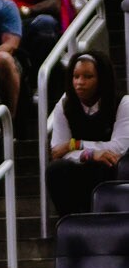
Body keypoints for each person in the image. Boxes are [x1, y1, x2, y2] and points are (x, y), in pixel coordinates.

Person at [46, 53, 128, 216]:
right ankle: (69, 222)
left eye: (88, 77)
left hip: (113, 167)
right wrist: (90, 153)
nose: (79, 83)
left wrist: (77, 144)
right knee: (56, 169)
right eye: (75, 77)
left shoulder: (122, 103)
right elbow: (57, 151)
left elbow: (118, 147)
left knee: (103, 164)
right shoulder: (64, 105)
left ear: (101, 79)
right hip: (83, 166)